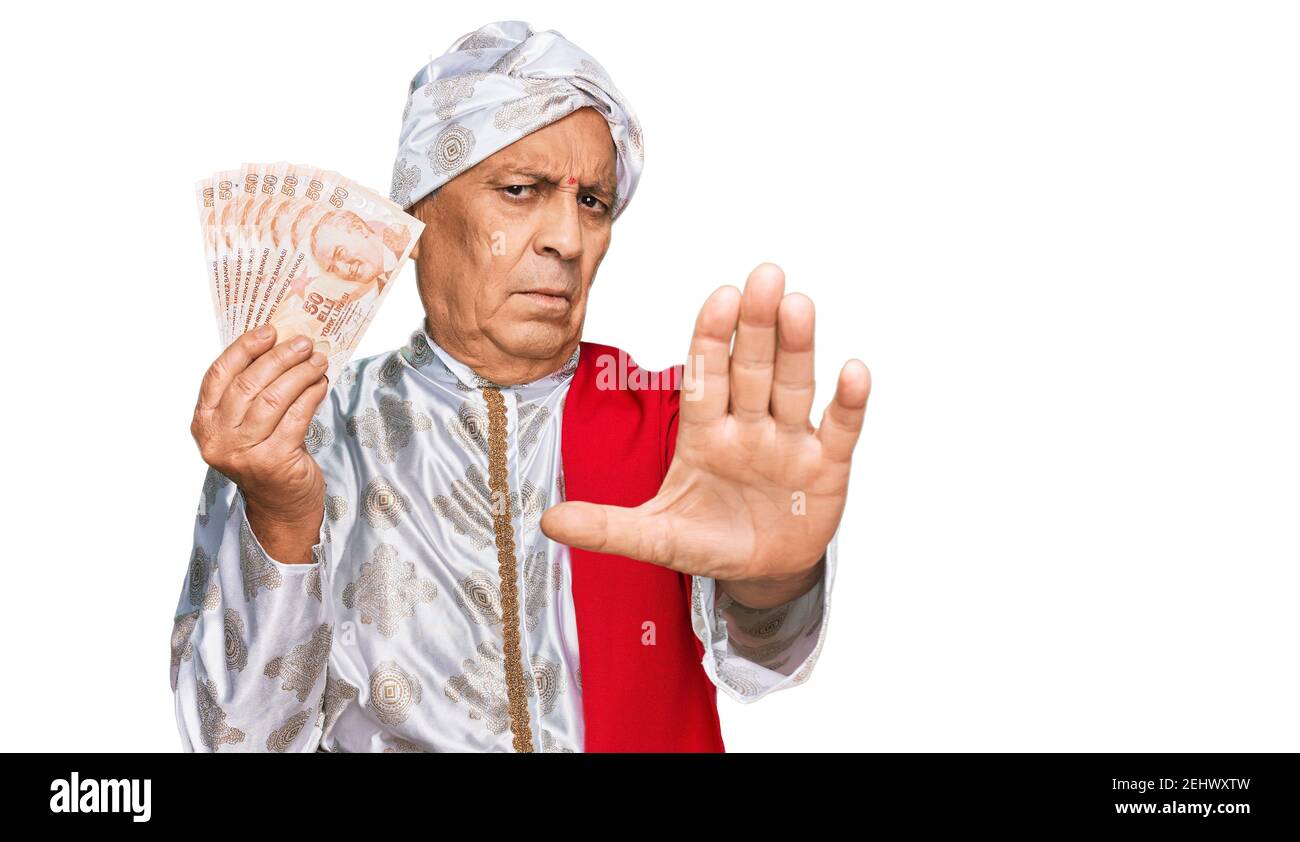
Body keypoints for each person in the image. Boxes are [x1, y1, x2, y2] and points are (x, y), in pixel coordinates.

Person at [171, 19, 871, 752]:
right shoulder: (298, 432)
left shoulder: (683, 422)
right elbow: (234, 742)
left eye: (592, 201)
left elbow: (763, 658)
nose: (567, 239)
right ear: (418, 214)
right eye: (519, 189)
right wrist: (280, 520)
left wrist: (777, 581)